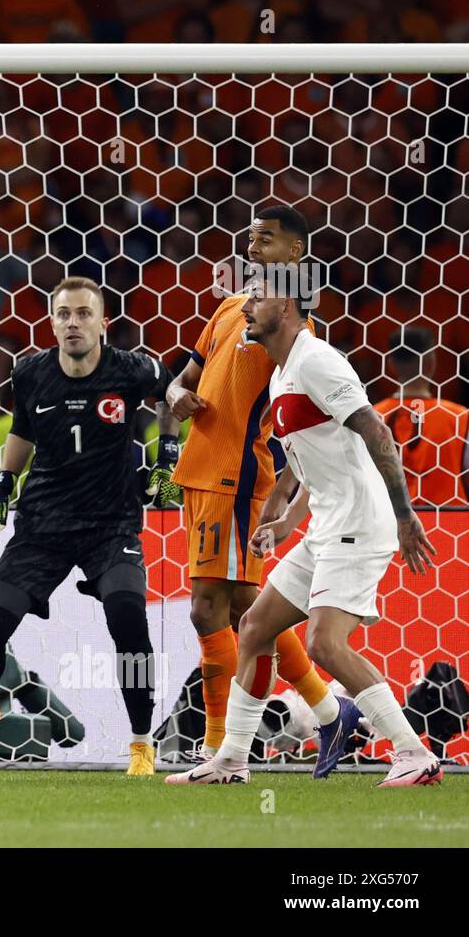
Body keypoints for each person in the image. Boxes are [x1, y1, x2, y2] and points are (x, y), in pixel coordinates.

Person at [168, 276, 442, 787]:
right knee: (253, 628)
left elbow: (375, 431)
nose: (245, 307)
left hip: (358, 522)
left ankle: (413, 752)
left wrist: (406, 516)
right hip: (325, 525)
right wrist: (283, 521)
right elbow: (307, 462)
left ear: (288, 305)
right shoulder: (282, 373)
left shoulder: (318, 360)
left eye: (257, 298)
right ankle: (231, 760)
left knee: (323, 645)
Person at [0, 276, 178, 776]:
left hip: (111, 522)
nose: (72, 323)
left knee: (129, 622)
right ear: (52, 322)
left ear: (102, 323)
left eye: (82, 313)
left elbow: (173, 394)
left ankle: (141, 742)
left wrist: (166, 456)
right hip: (43, 523)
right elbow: (21, 432)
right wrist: (1, 489)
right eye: (63, 314)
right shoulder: (30, 373)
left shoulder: (132, 369)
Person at [164, 205, 339, 768]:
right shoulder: (228, 309)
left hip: (236, 480)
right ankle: (331, 714)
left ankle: (217, 745)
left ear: (297, 253)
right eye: (249, 236)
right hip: (196, 473)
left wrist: (290, 494)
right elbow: (182, 380)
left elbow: (295, 416)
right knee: (244, 608)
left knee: (208, 609)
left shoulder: (292, 331)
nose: (252, 244)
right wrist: (175, 399)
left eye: (267, 237)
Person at [374, 327, 469, 506]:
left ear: (391, 365)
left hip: (387, 522)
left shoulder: (371, 416)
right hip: (449, 523)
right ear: (431, 363)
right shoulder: (460, 417)